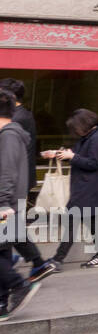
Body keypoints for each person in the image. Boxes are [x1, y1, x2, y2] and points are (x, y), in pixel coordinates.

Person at [39, 109, 98, 269]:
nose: (76, 131)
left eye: (76, 128)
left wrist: (71, 157)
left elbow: (93, 163)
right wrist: (58, 154)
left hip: (88, 189)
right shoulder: (90, 137)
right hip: (88, 188)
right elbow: (79, 156)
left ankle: (58, 259)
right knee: (92, 224)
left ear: (84, 125)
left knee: (72, 223)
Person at [0, 79, 49, 280]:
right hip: (16, 181)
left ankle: (15, 275)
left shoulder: (14, 122)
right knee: (10, 227)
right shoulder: (22, 115)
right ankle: (34, 264)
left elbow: (8, 164)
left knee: (8, 227)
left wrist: (3, 199)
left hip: (13, 183)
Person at [0, 90, 40, 320]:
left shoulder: (9, 136)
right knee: (3, 252)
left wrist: (3, 203)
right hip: (9, 205)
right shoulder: (11, 135)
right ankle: (2, 302)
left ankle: (18, 285)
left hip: (5, 205)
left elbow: (6, 174)